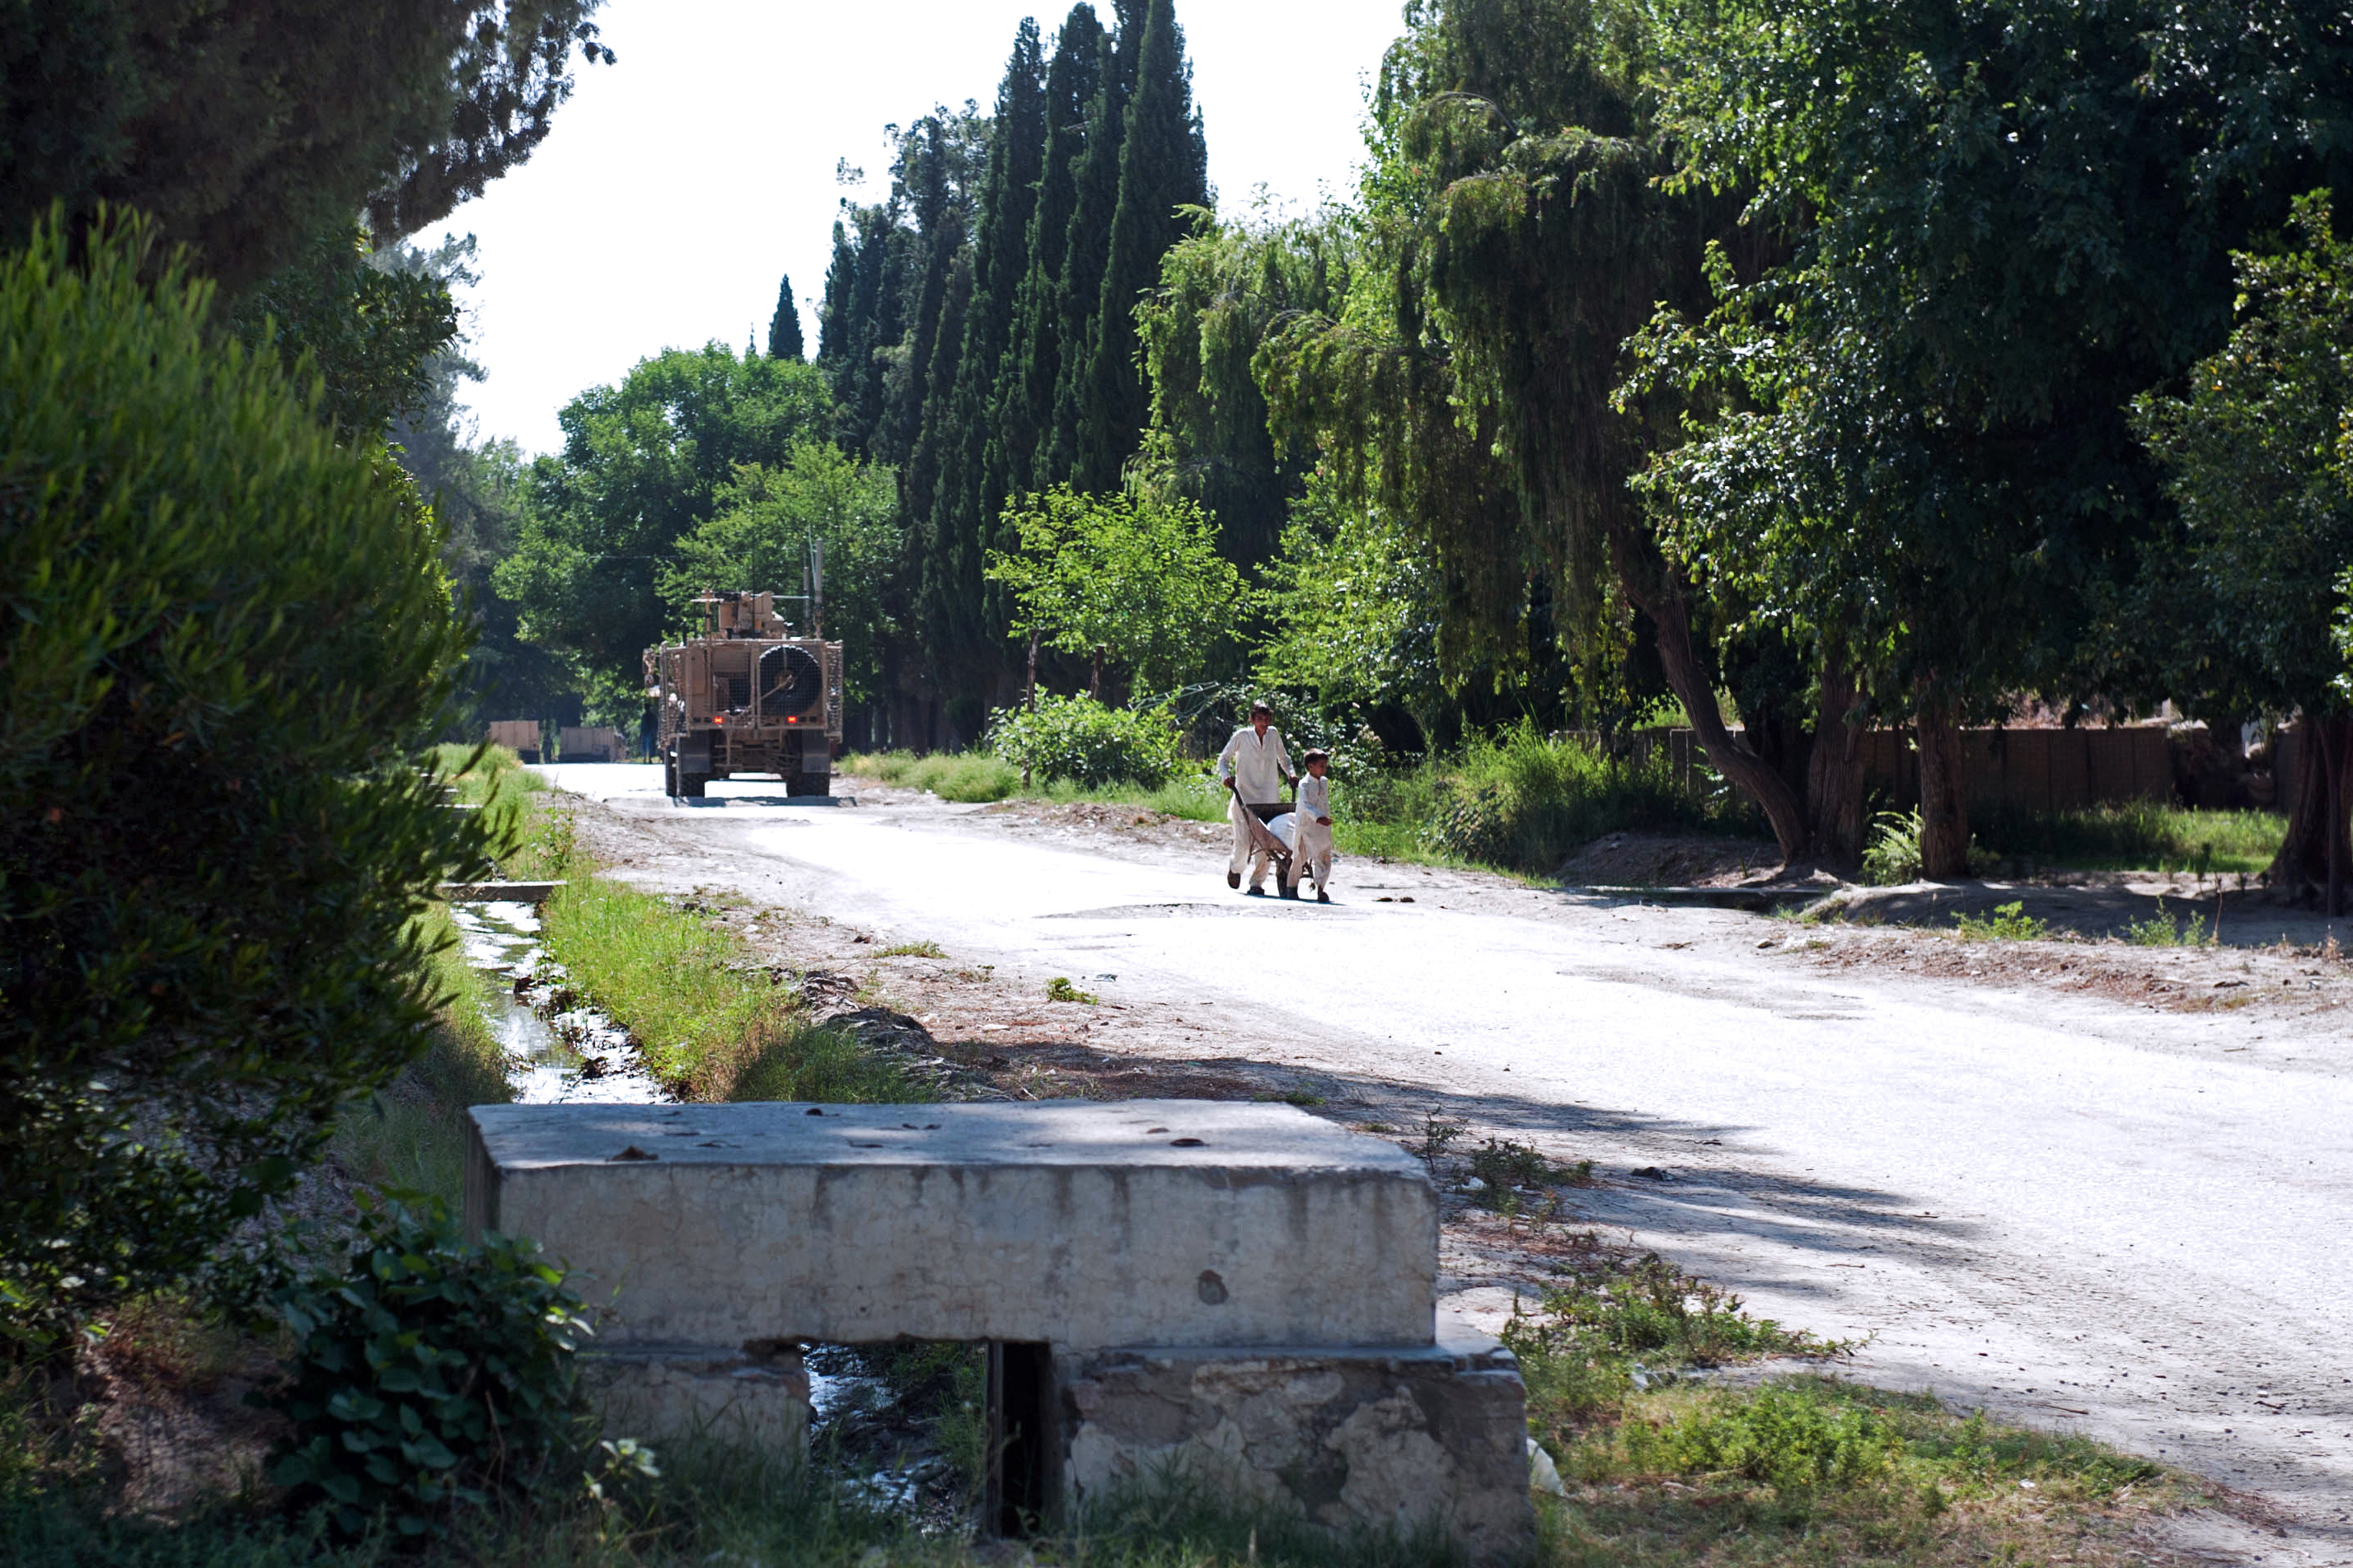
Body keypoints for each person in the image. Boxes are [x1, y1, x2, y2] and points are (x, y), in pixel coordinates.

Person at [1215, 700, 1294, 894]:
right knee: (1243, 844)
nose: (1264, 723)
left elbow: (1284, 758)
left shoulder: (1273, 734)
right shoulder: (1242, 736)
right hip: (1245, 797)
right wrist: (1226, 777)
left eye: (1267, 718)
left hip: (1268, 798)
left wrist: (1291, 773)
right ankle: (1235, 868)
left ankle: (1257, 884)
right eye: (1259, 719)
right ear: (1252, 719)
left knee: (1266, 844)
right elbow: (1223, 759)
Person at [1288, 748, 1334, 902]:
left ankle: (1321, 888)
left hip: (1321, 827)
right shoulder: (1304, 784)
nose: (1324, 768)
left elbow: (1324, 802)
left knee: (1324, 856)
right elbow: (1306, 805)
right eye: (1321, 765)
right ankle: (1291, 887)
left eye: (1325, 765)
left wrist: (1324, 819)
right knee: (1300, 857)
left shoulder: (1324, 782)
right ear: (1311, 767)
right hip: (1306, 825)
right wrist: (1318, 817)